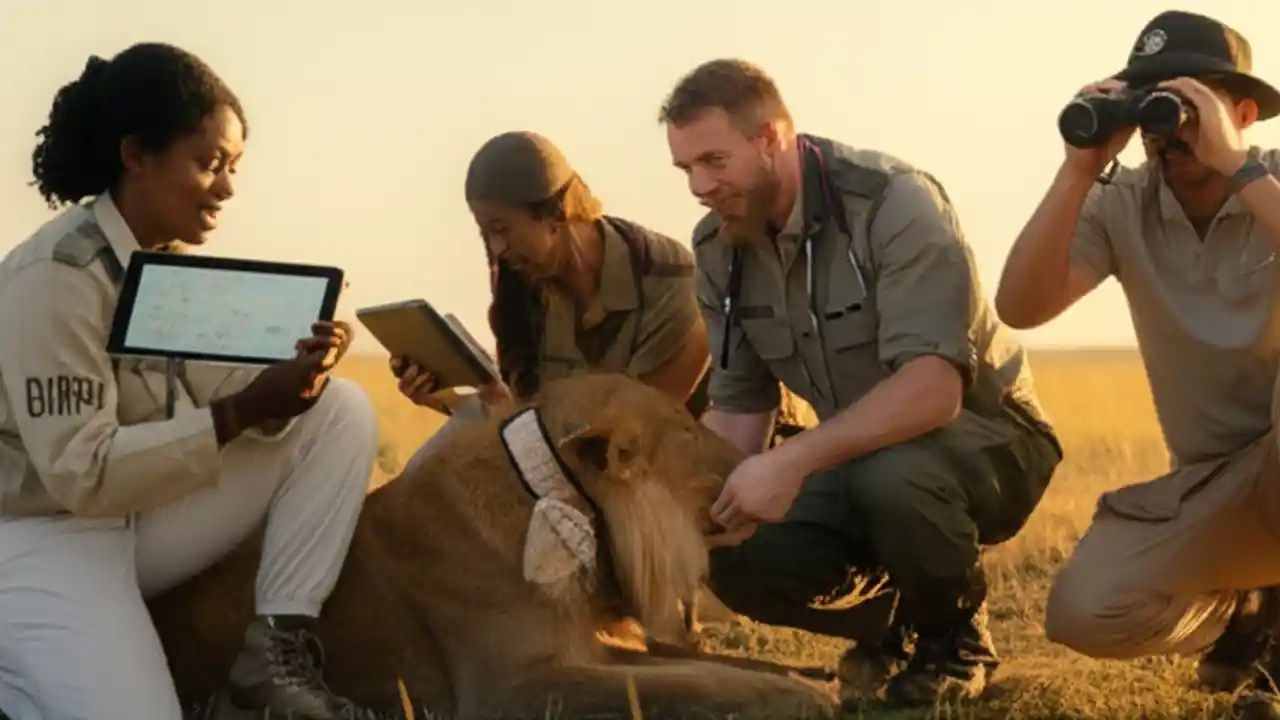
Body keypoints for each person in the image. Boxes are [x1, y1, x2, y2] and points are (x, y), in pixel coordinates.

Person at [657, 58, 1063, 708]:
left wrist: (790, 460)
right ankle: (894, 623)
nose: (699, 187)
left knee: (892, 476)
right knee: (727, 546)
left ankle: (955, 639)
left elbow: (934, 390)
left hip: (990, 443)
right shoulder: (717, 249)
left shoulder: (892, 202)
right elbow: (738, 409)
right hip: (857, 457)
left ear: (770, 140)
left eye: (714, 161)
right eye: (686, 169)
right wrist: (693, 507)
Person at [0, 43, 380, 720]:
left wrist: (298, 378)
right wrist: (239, 413)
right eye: (208, 164)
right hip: (38, 536)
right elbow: (80, 473)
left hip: (136, 517)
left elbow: (229, 393)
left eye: (233, 167)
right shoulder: (56, 276)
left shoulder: (166, 265)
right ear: (136, 156)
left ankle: (274, 657)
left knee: (340, 408)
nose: (228, 188)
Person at [994, 9, 1280, 715]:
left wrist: (1238, 168)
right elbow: (1022, 306)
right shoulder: (1123, 201)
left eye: (1186, 106)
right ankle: (1245, 608)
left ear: (1242, 111)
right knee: (1086, 611)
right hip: (1213, 487)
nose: (1167, 130)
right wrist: (1077, 172)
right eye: (1153, 106)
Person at [391, 131, 711, 464]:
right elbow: (527, 413)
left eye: (502, 229)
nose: (497, 248)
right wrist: (450, 399)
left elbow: (629, 435)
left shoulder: (669, 279)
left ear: (557, 213)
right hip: (567, 462)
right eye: (485, 233)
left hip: (657, 473)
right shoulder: (522, 285)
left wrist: (514, 421)